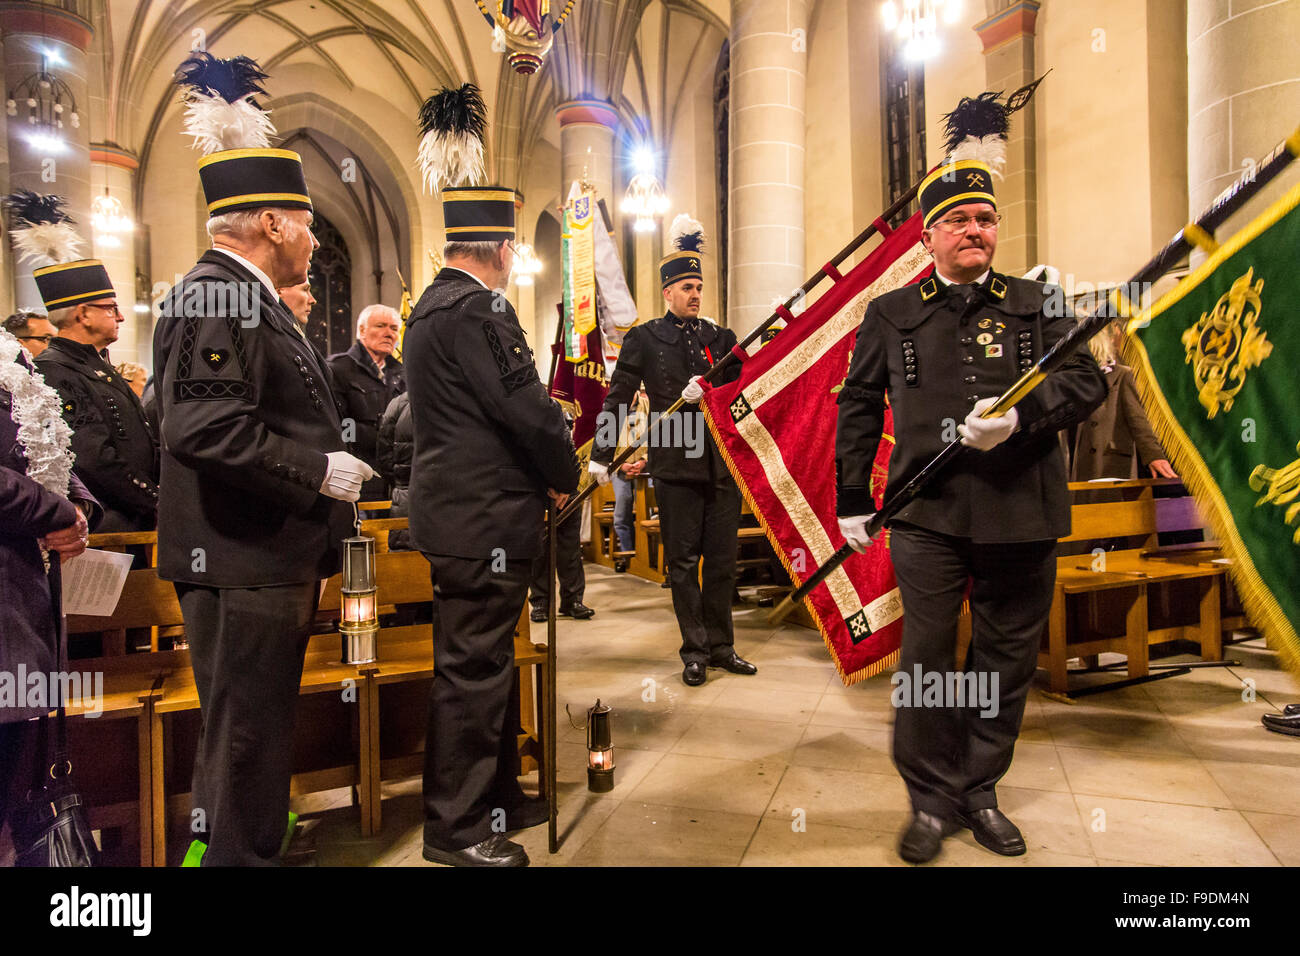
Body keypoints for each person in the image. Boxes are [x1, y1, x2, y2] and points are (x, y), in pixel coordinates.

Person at [835, 156, 1106, 864]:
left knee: (1004, 659)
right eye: (957, 221)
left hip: (1022, 512)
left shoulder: (1037, 302)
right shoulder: (891, 313)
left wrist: (1022, 419)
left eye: (985, 218)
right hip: (929, 515)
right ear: (928, 237)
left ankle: (980, 791)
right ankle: (929, 800)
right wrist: (851, 499)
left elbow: (1085, 384)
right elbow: (859, 404)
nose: (974, 230)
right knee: (927, 659)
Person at [154, 51, 373, 866]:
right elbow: (202, 431)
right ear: (273, 223)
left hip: (258, 555)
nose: (315, 240)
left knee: (256, 724)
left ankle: (254, 846)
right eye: (309, 223)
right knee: (243, 731)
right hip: (241, 558)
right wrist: (319, 470)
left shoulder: (244, 298)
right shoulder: (220, 295)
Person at [406, 82, 579, 867]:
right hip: (482, 524)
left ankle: (498, 797)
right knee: (474, 676)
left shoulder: (429, 311)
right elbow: (529, 410)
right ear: (503, 250)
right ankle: (459, 827)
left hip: (462, 518)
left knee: (486, 668)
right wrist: (563, 471)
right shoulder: (482, 312)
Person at [589, 215, 755, 687]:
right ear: (667, 292)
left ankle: (723, 646)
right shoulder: (643, 338)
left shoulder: (721, 340)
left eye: (699, 286)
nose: (695, 294)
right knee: (682, 564)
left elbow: (746, 391)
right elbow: (619, 394)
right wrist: (602, 453)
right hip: (675, 462)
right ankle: (695, 650)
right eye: (686, 286)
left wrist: (721, 392)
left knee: (721, 561)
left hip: (722, 466)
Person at [0, 325, 99, 864]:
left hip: (21, 593)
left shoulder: (9, 358)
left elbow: (48, 455)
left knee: (14, 761)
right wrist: (53, 512)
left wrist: (77, 509)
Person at [33, 259, 159, 533]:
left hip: (133, 515)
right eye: (111, 308)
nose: (121, 316)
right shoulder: (55, 370)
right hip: (108, 520)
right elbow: (92, 457)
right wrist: (154, 500)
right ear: (83, 314)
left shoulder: (96, 365)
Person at [1071, 317, 1176, 481]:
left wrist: (1154, 455)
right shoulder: (1074, 380)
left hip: (1110, 462)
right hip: (1080, 461)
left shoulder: (1123, 375)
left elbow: (1138, 419)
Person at [328, 305, 405, 502]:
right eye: (381, 326)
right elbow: (338, 425)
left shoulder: (403, 374)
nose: (388, 334)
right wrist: (381, 436)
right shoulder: (338, 369)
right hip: (357, 476)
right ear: (362, 330)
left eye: (394, 328)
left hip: (395, 480)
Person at [528, 412, 595, 624]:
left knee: (570, 549)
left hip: (568, 492)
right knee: (540, 550)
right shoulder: (529, 420)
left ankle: (572, 600)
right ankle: (540, 602)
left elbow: (573, 456)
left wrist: (565, 486)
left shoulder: (560, 416)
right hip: (540, 492)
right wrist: (547, 486)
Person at [611, 389, 650, 572]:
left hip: (645, 469)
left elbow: (657, 434)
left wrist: (644, 460)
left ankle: (649, 557)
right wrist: (620, 464)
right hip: (621, 470)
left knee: (649, 511)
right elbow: (605, 442)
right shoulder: (611, 408)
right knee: (622, 512)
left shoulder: (647, 406)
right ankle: (628, 555)